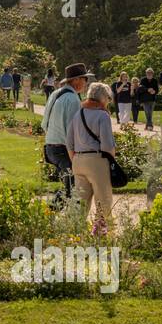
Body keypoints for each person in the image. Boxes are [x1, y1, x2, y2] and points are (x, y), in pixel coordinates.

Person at [66, 81, 117, 232]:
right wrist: (112, 164)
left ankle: (74, 232)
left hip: (78, 160)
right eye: (108, 98)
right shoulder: (102, 115)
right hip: (97, 161)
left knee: (80, 201)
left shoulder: (78, 114)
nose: (109, 102)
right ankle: (100, 234)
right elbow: (108, 146)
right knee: (103, 201)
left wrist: (75, 161)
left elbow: (69, 143)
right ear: (103, 98)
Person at [41, 63, 93, 199]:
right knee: (71, 190)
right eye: (84, 79)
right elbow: (73, 131)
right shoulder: (73, 99)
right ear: (76, 80)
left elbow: (44, 123)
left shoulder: (55, 93)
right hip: (63, 150)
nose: (86, 83)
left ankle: (65, 217)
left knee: (70, 189)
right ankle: (48, 214)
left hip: (50, 147)